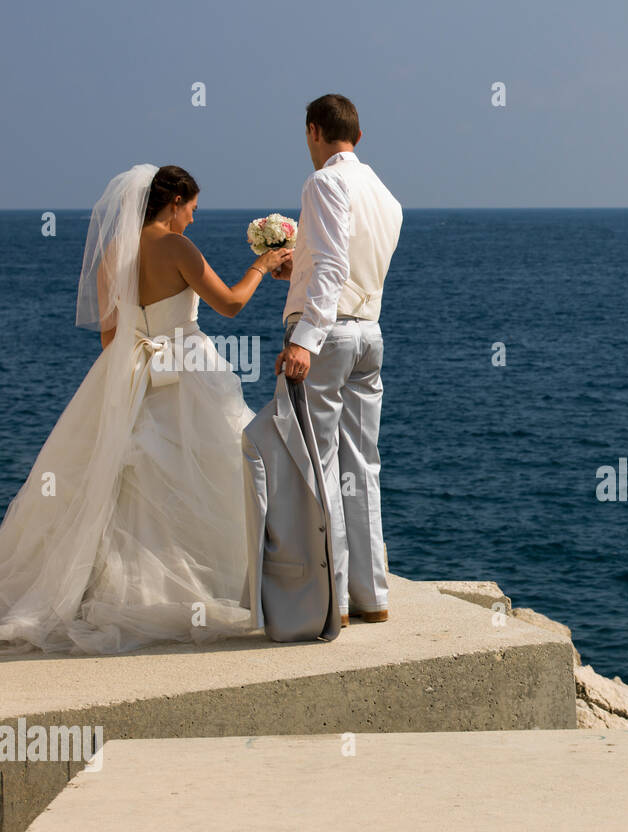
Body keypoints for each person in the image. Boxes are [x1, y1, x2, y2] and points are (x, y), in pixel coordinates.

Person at [0, 165, 289, 654]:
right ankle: (227, 588)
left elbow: (110, 337)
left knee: (121, 479)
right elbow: (231, 304)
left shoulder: (116, 252)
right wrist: (263, 266)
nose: (193, 221)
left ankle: (105, 593)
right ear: (174, 200)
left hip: (130, 369)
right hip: (187, 365)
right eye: (192, 209)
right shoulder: (176, 247)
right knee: (213, 468)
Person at [273, 93, 402, 626]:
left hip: (329, 338)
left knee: (319, 464)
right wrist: (296, 273)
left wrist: (305, 337)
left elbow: (330, 265)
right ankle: (372, 595)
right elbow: (343, 266)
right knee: (361, 466)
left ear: (312, 131)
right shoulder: (386, 195)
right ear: (359, 136)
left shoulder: (324, 183)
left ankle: (333, 598)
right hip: (369, 333)